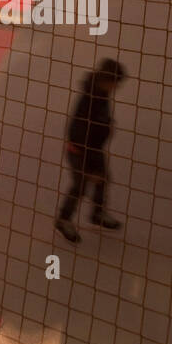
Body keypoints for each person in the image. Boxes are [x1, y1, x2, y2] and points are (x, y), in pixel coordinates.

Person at [55, 59, 129, 243]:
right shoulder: (90, 99)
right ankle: (63, 220)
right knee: (80, 185)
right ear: (105, 80)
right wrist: (91, 166)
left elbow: (101, 119)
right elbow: (81, 132)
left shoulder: (101, 93)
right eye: (115, 82)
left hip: (94, 147)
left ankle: (97, 213)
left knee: (103, 179)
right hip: (80, 150)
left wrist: (108, 124)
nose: (116, 87)